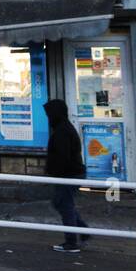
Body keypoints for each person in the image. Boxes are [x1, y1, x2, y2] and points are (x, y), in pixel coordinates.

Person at [44, 99, 90, 253]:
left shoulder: (63, 131)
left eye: (49, 114)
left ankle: (71, 242)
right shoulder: (63, 127)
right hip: (71, 173)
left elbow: (63, 157)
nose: (48, 117)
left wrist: (54, 172)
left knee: (64, 205)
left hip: (69, 174)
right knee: (60, 202)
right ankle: (83, 231)